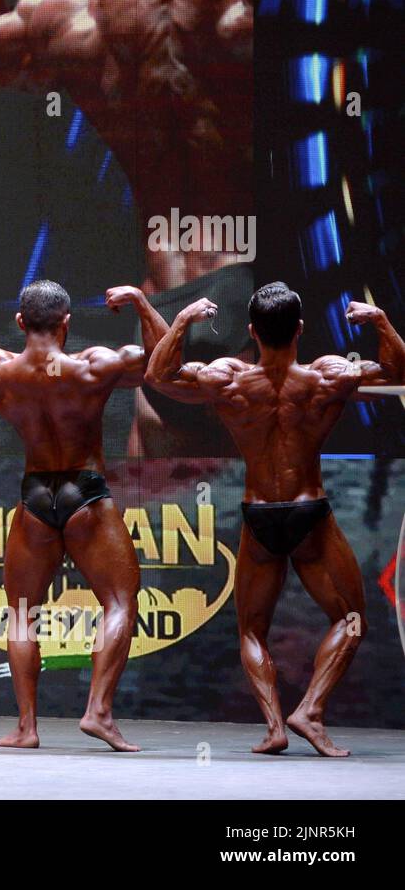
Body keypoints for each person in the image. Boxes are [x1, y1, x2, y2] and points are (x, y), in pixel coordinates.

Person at [0, 0, 254, 455]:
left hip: (163, 306)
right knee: (262, 504)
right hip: (247, 291)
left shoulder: (83, 9)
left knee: (162, 508)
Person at [146, 284, 405, 756]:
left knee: (251, 630)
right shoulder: (328, 377)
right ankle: (309, 711)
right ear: (301, 329)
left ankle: (275, 728)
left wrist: (183, 320)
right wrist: (381, 321)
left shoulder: (229, 380)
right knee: (350, 621)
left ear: (251, 331)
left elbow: (159, 375)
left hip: (259, 513)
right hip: (309, 513)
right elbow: (397, 370)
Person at [0, 279, 170, 750]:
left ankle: (26, 727)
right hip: (86, 491)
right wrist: (140, 302)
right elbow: (162, 362)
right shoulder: (92, 366)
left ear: (19, 322)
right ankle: (97, 712)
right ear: (66, 323)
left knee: (20, 613)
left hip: (36, 494)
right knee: (118, 603)